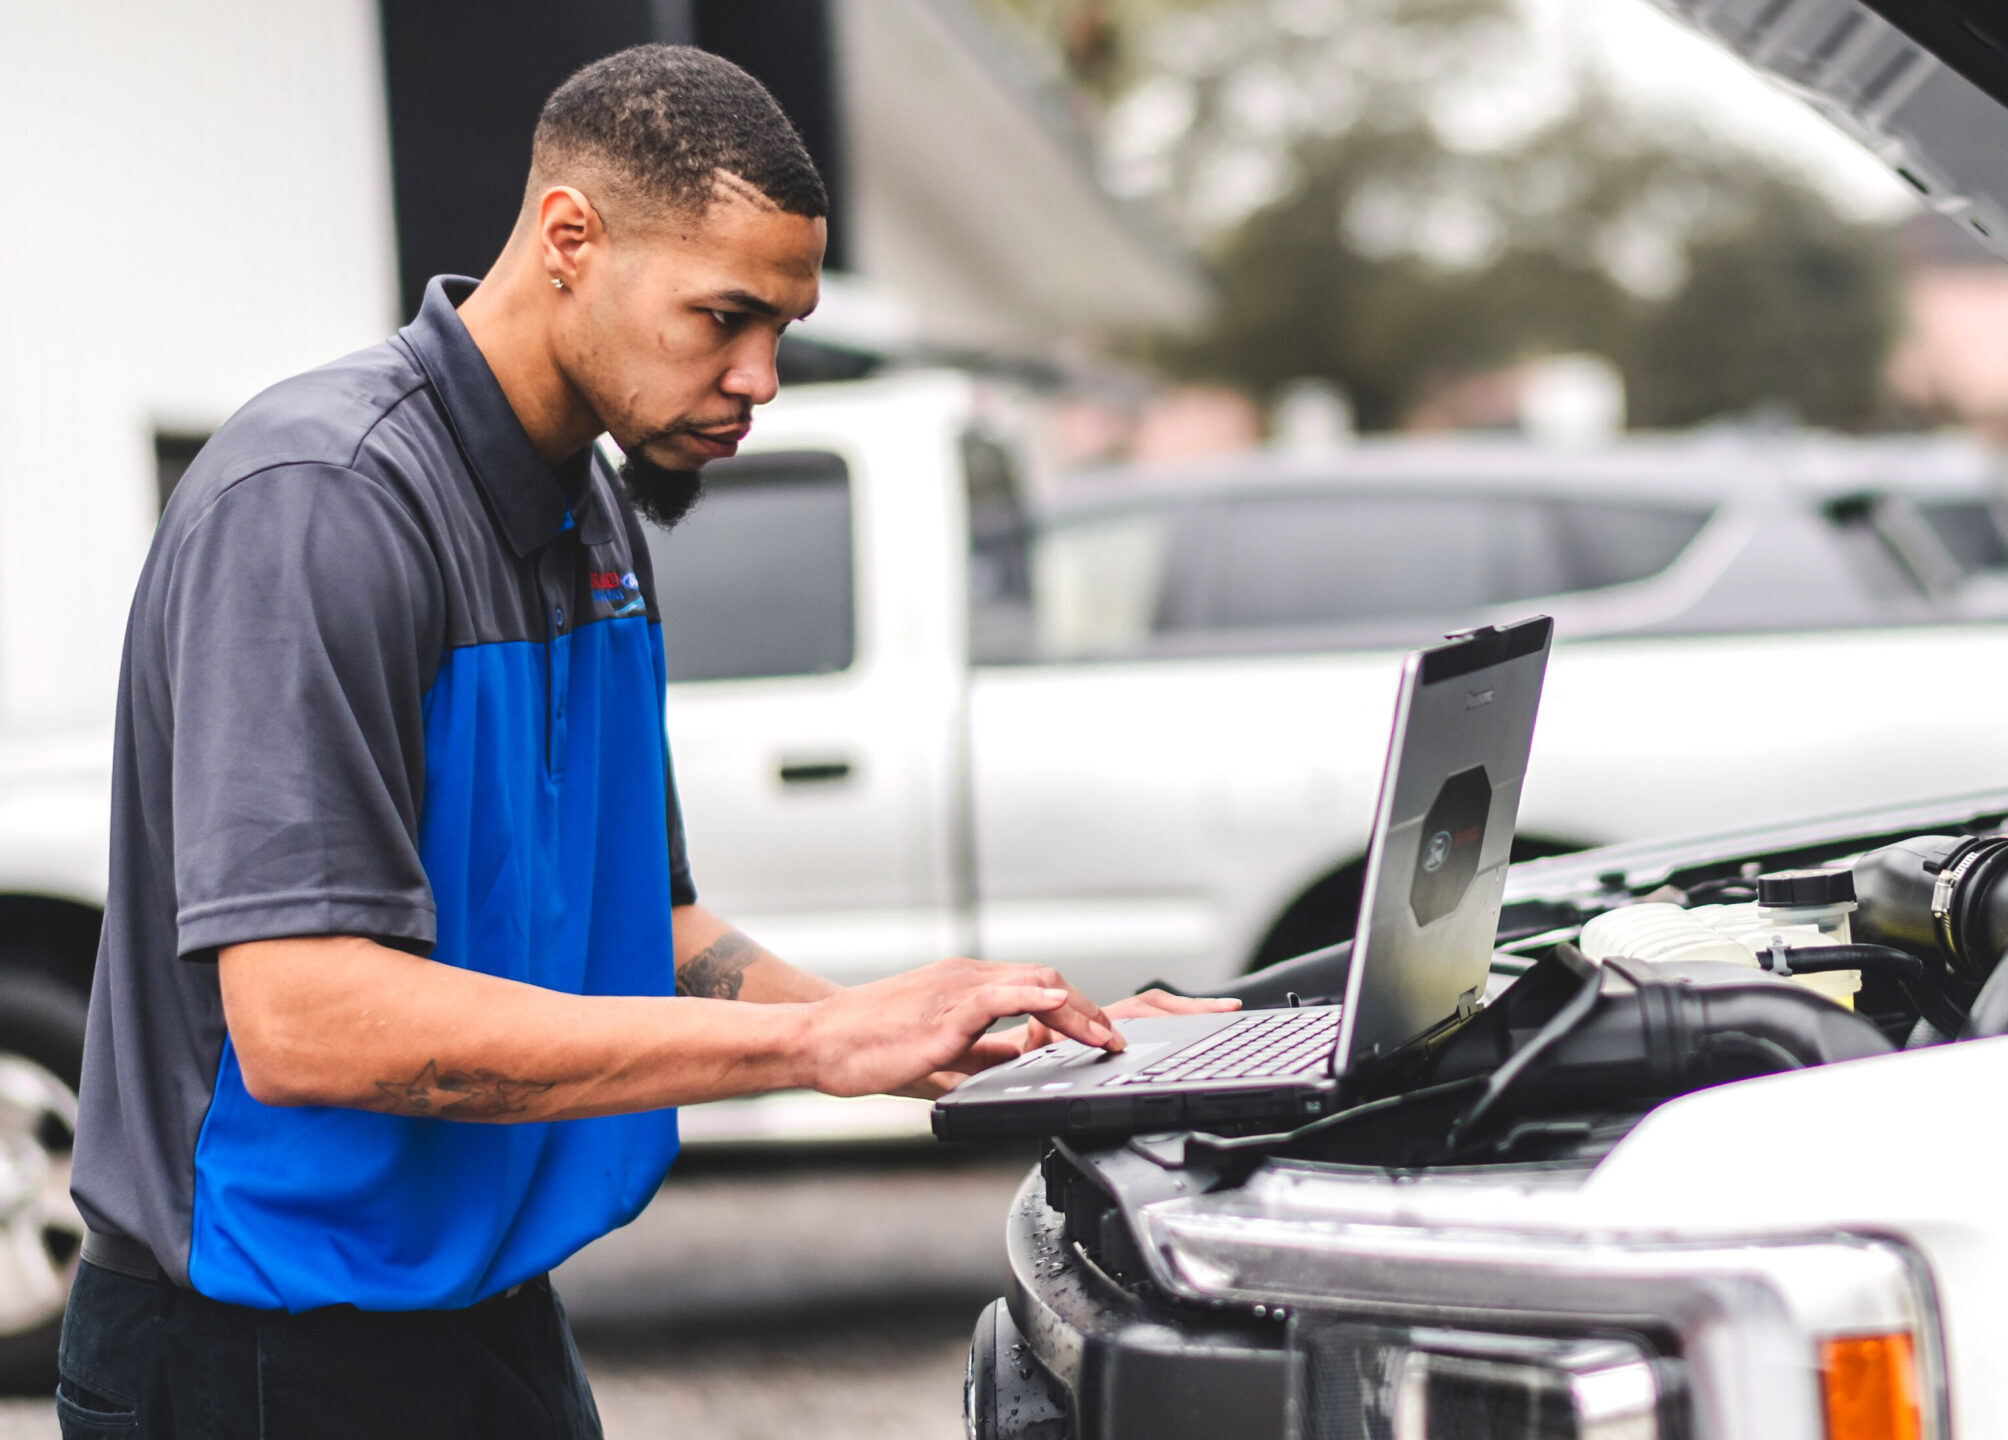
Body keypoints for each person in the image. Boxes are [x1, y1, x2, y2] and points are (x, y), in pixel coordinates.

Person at [57, 44, 1232, 1439]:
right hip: (257, 1354)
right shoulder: (322, 502)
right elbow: (310, 1023)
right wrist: (816, 1051)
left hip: (487, 1321)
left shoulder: (595, 513)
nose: (764, 374)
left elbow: (657, 925)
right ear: (571, 238)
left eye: (781, 327)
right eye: (725, 315)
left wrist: (992, 1045)